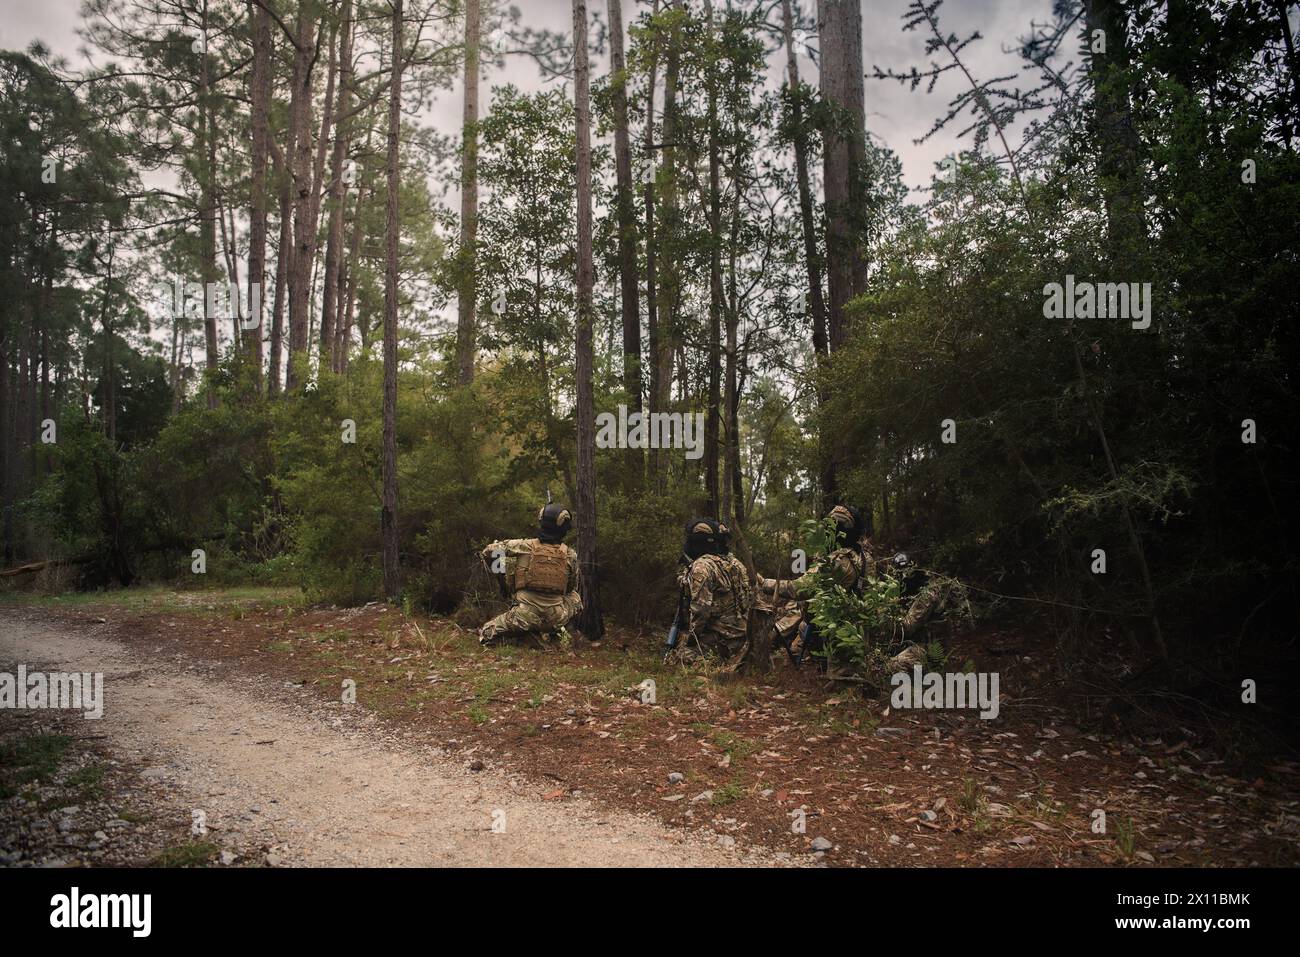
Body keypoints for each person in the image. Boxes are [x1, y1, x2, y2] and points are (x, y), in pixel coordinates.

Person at [478, 503, 583, 645]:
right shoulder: (570, 555)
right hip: (556, 618)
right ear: (564, 529)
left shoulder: (523, 546)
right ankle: (558, 635)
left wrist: (501, 578)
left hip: (522, 617)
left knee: (486, 633)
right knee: (575, 598)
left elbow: (489, 551)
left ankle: (522, 637)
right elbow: (570, 588)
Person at [672, 518, 753, 667]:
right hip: (743, 636)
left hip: (722, 640)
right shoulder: (736, 563)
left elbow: (701, 612)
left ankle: (719, 663)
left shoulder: (701, 567)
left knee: (682, 656)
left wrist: (690, 641)